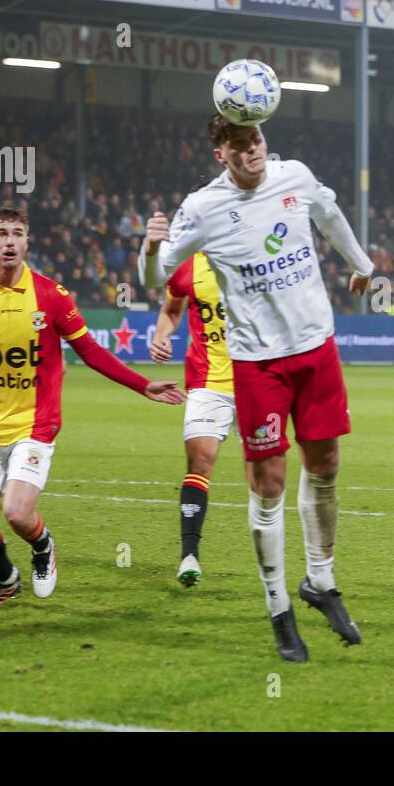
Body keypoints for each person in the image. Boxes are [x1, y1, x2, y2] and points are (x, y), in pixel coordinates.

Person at [142, 115, 373, 663]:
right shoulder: (202, 208)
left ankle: (320, 582)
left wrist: (359, 263)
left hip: (316, 348)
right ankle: (279, 610)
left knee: (327, 464)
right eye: (240, 146)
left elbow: (330, 211)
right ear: (220, 153)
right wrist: (150, 249)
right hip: (257, 364)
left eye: (258, 141)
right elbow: (156, 279)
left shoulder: (294, 177)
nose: (254, 153)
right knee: (268, 484)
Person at [0, 206, 185, 609]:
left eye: (17, 233)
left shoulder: (52, 296)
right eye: (0, 234)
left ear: (26, 242)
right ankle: (5, 580)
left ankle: (43, 545)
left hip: (35, 424)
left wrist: (143, 385)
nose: (9, 241)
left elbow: (90, 351)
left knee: (18, 514)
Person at [149, 252, 234, 589]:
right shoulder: (189, 264)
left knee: (267, 477)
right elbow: (172, 309)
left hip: (258, 377)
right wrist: (161, 335)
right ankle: (190, 555)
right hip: (208, 380)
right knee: (200, 460)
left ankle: (273, 568)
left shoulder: (256, 251)